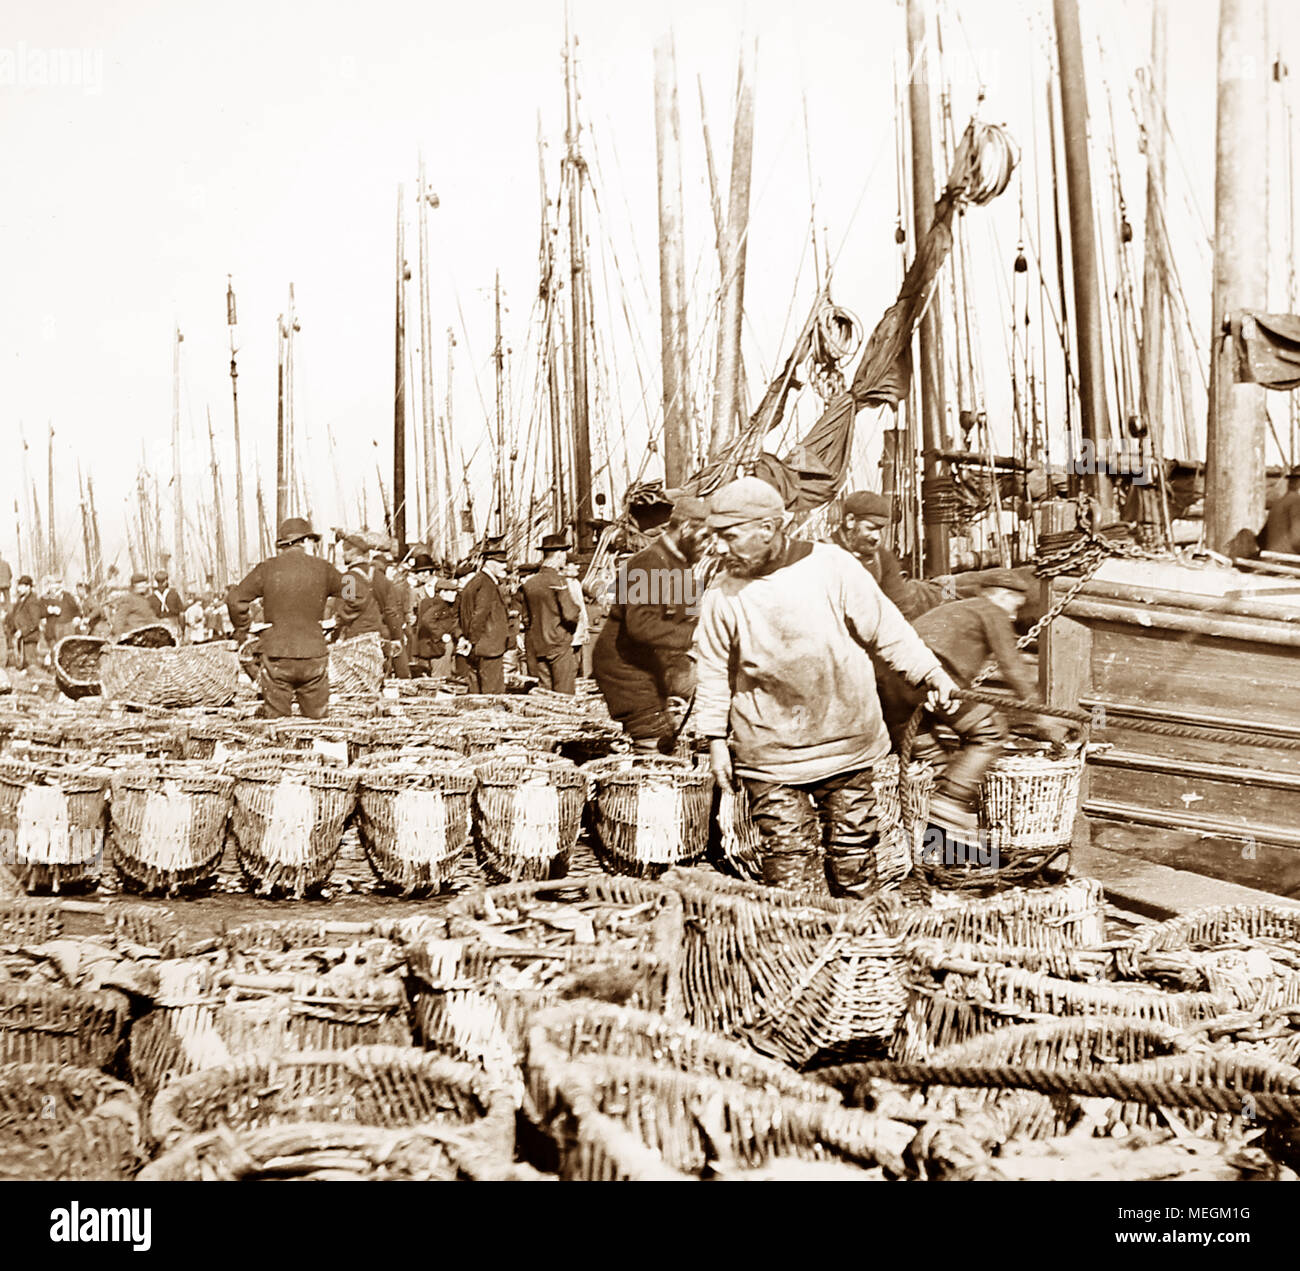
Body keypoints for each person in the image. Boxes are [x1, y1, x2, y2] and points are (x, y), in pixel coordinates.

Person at [693, 477, 958, 899]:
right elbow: (710, 669)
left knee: (855, 854)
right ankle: (803, 944)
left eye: (728, 536)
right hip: (771, 753)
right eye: (715, 537)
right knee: (789, 861)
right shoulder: (722, 596)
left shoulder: (831, 566)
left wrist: (932, 673)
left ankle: (859, 944)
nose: (719, 549)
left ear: (768, 527)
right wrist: (714, 740)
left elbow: (887, 629)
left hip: (845, 742)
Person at [877, 569, 1042, 837]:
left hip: (890, 685)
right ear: (999, 595)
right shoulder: (990, 610)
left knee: (932, 757)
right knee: (991, 733)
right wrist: (1039, 712)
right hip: (933, 675)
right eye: (1014, 605)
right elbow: (1012, 666)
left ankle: (933, 833)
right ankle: (950, 804)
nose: (1013, 615)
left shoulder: (953, 610)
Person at [592, 496, 710, 753]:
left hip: (656, 667)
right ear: (686, 528)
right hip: (626, 671)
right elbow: (641, 625)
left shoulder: (683, 569)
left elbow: (689, 619)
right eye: (705, 537)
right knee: (655, 740)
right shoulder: (648, 564)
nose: (709, 546)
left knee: (676, 732)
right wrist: (696, 634)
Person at [226, 517, 344, 719]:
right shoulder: (324, 568)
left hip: (277, 654)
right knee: (317, 725)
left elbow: (234, 599)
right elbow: (355, 590)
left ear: (282, 544)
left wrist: (246, 627)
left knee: (278, 725)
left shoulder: (266, 568)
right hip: (313, 652)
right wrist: (337, 621)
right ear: (305, 541)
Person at [833, 491, 945, 621]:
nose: (876, 537)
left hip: (872, 632)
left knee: (947, 590)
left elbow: (901, 609)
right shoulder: (820, 554)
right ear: (850, 521)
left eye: (879, 529)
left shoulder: (882, 558)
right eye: (870, 528)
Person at [519, 533, 583, 694]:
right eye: (564, 555)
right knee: (564, 694)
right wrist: (576, 613)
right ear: (559, 554)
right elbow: (570, 614)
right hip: (559, 645)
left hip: (539, 645)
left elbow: (526, 619)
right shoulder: (558, 581)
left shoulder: (530, 583)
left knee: (545, 694)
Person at [456, 546, 509, 694]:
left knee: (476, 691)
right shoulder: (486, 584)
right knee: (493, 694)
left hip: (479, 647)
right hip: (489, 648)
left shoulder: (475, 581)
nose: (505, 566)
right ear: (489, 562)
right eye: (500, 562)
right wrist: (473, 641)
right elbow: (479, 616)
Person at [414, 573, 460, 678]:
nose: (454, 594)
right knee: (440, 677)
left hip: (434, 646)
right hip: (439, 646)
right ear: (442, 592)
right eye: (451, 591)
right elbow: (426, 619)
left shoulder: (440, 603)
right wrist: (441, 634)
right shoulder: (440, 603)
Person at [4, 576, 44, 670]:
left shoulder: (32, 601)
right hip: (22, 638)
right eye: (19, 586)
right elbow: (15, 615)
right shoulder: (21, 600)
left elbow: (35, 621)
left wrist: (22, 631)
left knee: (31, 664)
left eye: (22, 586)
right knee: (24, 664)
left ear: (28, 587)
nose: (19, 589)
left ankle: (37, 682)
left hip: (29, 637)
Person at [1263, 467, 1300, 556]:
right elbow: (1297, 539)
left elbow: (1262, 539)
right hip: (1289, 562)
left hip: (1272, 559)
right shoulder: (1297, 503)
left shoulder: (1278, 503)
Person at [563, 561, 591, 678]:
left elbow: (582, 607)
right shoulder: (566, 584)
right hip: (572, 627)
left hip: (580, 626)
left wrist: (586, 627)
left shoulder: (576, 583)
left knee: (579, 658)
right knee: (571, 660)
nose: (577, 569)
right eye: (573, 566)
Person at [41, 578, 80, 651]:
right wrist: (49, 610)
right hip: (52, 631)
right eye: (53, 584)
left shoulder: (68, 596)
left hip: (67, 630)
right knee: (54, 652)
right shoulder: (45, 598)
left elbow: (76, 610)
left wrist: (77, 617)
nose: (55, 587)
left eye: (58, 584)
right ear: (50, 585)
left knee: (68, 651)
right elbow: (39, 612)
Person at [149, 571, 184, 635]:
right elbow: (181, 614)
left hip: (159, 627)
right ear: (166, 581)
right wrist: (182, 629)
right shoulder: (174, 594)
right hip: (174, 625)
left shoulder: (151, 598)